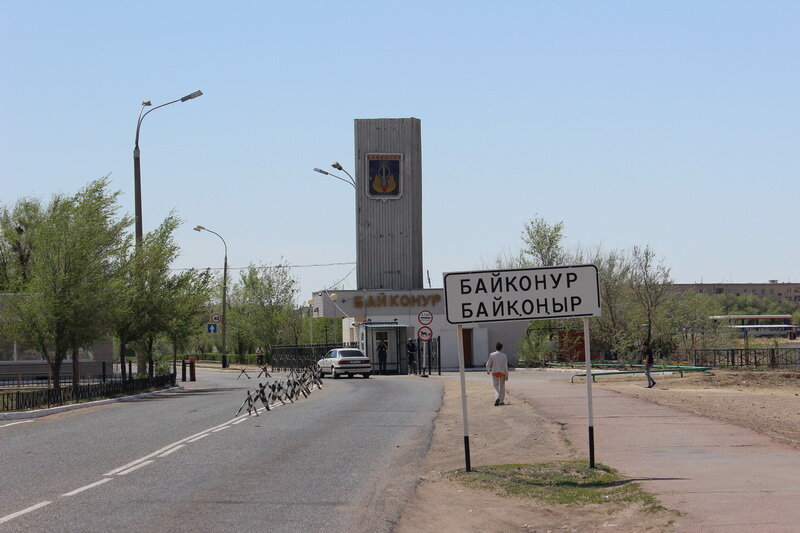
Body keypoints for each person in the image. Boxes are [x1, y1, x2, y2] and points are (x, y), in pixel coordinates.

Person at [486, 342, 509, 406]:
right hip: (502, 373)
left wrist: (488, 370)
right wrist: (507, 375)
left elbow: (488, 364)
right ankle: (501, 401)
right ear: (501, 348)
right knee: (502, 387)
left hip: (495, 372)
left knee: (496, 386)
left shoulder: (492, 354)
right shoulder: (504, 355)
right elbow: (505, 366)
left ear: (496, 347)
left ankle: (497, 397)